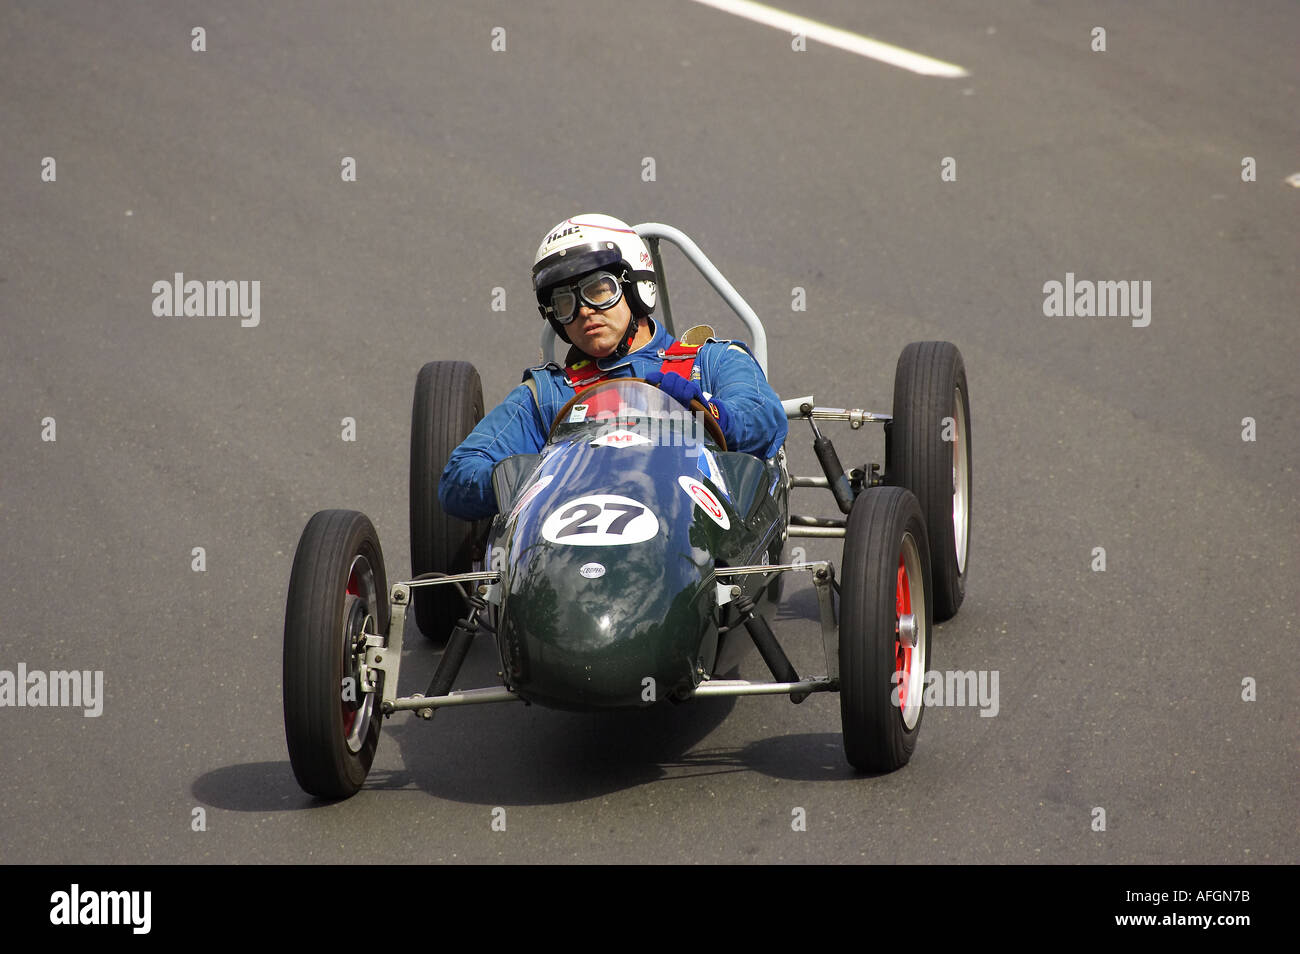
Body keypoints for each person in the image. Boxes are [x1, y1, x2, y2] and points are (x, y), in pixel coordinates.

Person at [438, 213, 788, 521]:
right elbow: (459, 478)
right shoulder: (548, 393)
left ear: (636, 288)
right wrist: (535, 475)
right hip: (571, 549)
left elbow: (764, 418)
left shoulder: (711, 361)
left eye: (598, 290)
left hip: (692, 539)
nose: (585, 311)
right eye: (565, 302)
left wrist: (710, 413)